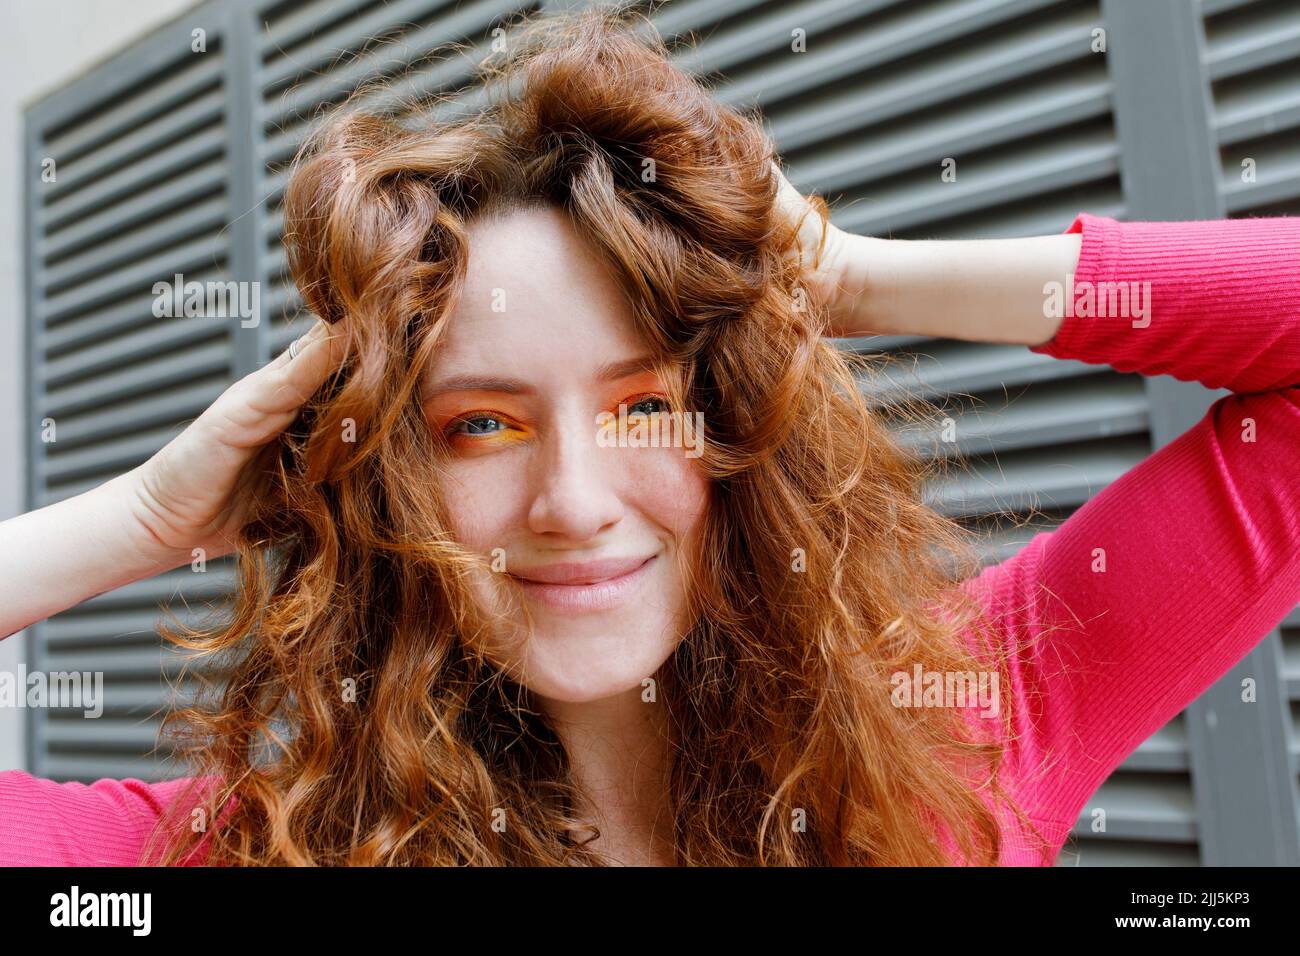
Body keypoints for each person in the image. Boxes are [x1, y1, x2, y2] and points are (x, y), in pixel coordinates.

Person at [1, 7, 1298, 867]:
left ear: (732, 426)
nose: (572, 498)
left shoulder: (966, 732)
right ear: (400, 482)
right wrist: (146, 521)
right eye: (483, 424)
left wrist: (853, 278)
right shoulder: (265, 845)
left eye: (640, 407)